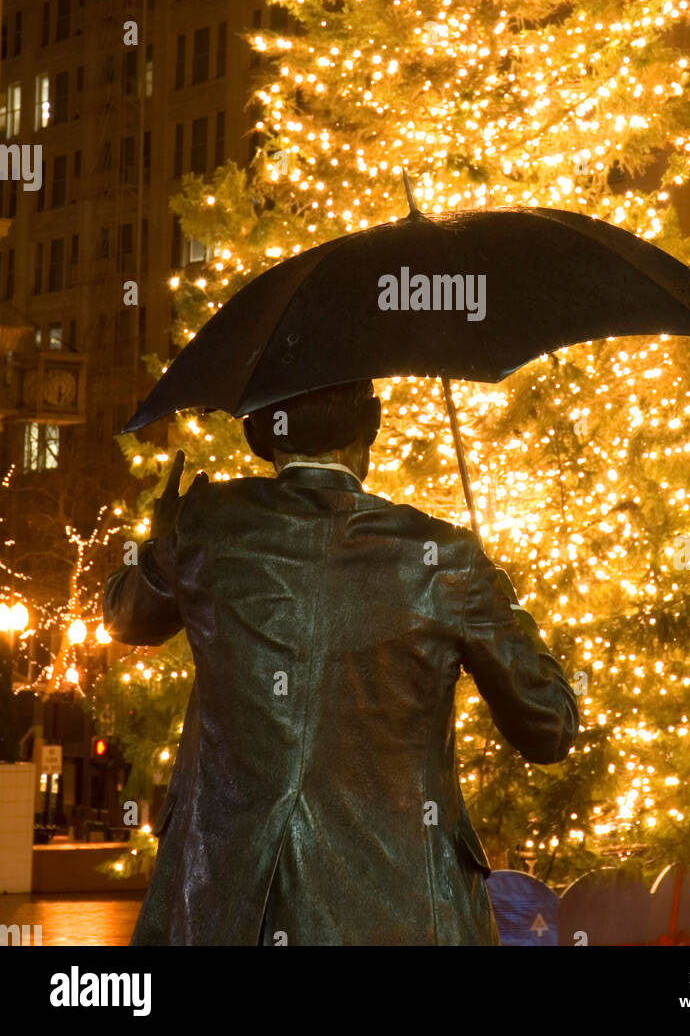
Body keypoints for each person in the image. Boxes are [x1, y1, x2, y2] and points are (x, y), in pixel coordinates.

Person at [103, 378, 578, 946]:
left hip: (229, 913)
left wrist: (163, 544)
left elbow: (126, 617)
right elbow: (550, 726)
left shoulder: (206, 528)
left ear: (257, 430)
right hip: (409, 916)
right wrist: (493, 590)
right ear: (372, 423)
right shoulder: (445, 560)